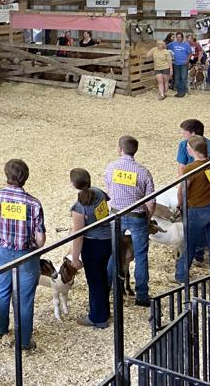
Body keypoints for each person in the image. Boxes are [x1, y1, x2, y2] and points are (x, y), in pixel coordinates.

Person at [0, 159, 45, 350]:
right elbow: (40, 238)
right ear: (25, 178)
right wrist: (35, 247)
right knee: (25, 299)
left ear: (6, 175)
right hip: (27, 254)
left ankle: (0, 329)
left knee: (3, 289)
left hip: (3, 250)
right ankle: (24, 341)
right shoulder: (33, 204)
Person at [104, 135, 155, 306]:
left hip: (116, 214)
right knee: (141, 256)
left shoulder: (111, 167)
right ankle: (142, 295)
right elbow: (151, 201)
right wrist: (148, 217)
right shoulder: (144, 172)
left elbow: (108, 190)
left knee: (113, 252)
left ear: (120, 149)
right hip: (138, 215)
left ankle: (110, 290)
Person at [67, 168, 112, 329]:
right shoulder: (99, 193)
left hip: (93, 245)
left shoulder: (79, 207)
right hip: (107, 240)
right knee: (101, 277)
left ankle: (98, 318)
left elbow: (79, 235)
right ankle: (103, 311)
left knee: (95, 281)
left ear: (73, 184)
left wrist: (74, 258)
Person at [176, 136, 210, 283]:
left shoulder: (190, 168)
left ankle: (181, 276)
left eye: (188, 147)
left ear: (193, 150)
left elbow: (182, 190)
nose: (186, 149)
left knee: (190, 243)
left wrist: (180, 205)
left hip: (198, 210)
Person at [168, 31, 192, 97]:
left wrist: (187, 61)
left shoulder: (186, 44)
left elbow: (190, 53)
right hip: (176, 63)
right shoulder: (173, 44)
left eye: (180, 37)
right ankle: (179, 91)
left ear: (182, 38)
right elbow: (166, 47)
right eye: (177, 37)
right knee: (177, 78)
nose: (179, 38)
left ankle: (182, 92)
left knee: (183, 77)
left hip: (184, 63)